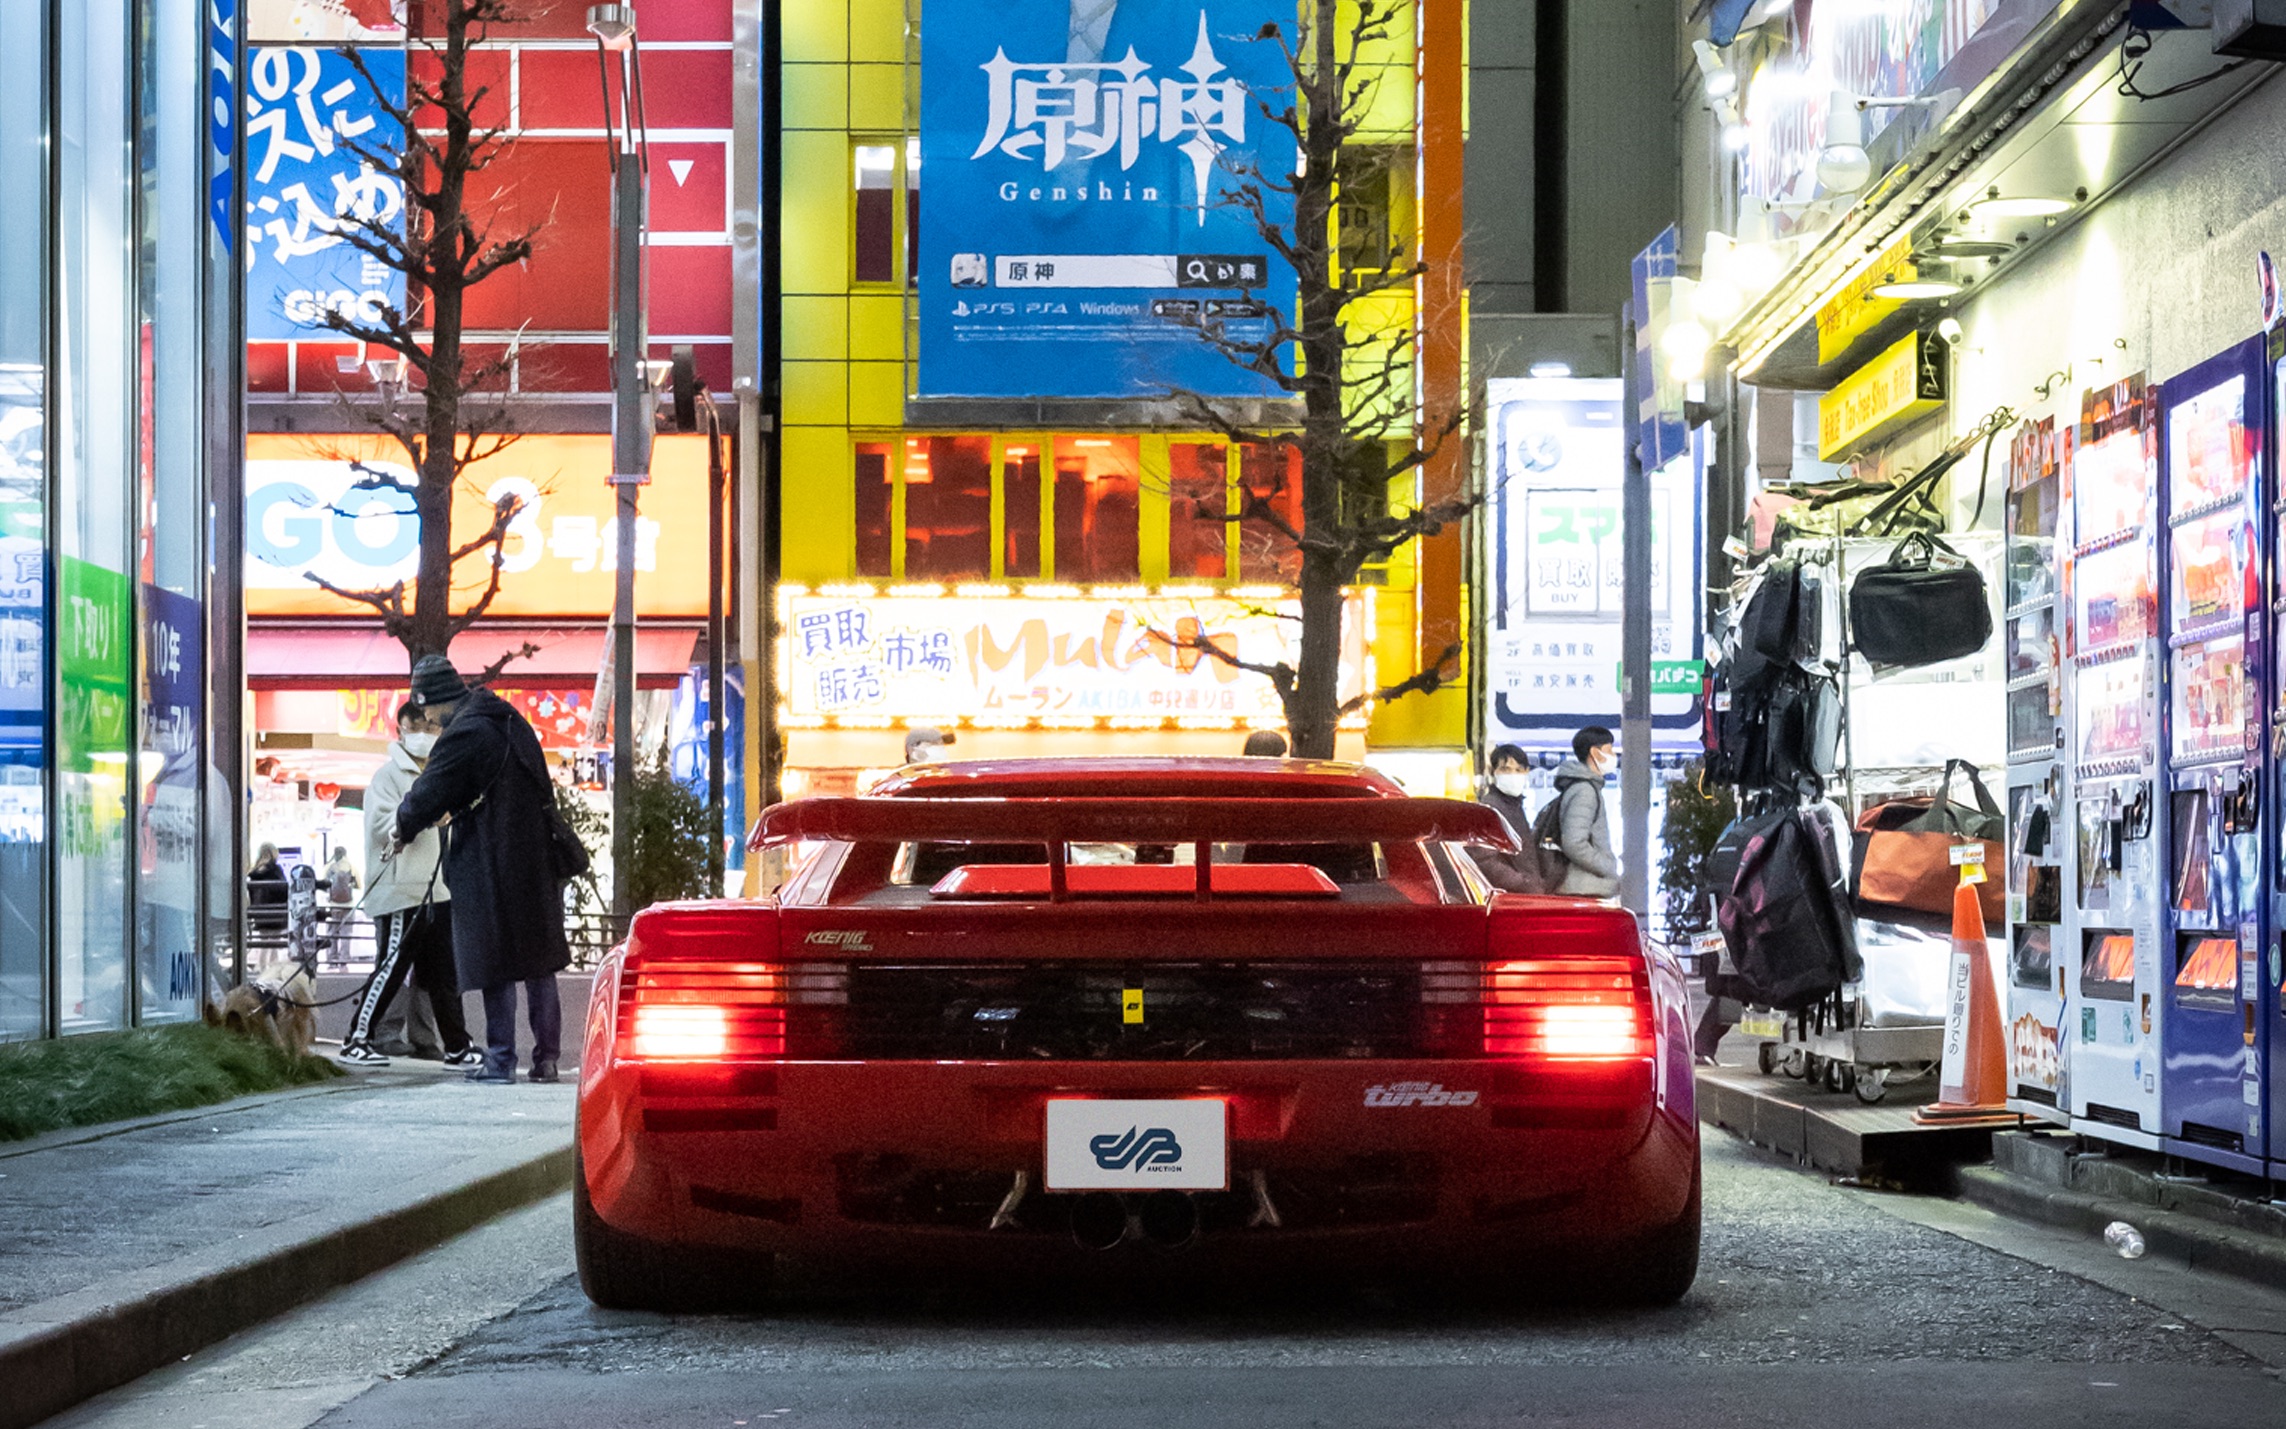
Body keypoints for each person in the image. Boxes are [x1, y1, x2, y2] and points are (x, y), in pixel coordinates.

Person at [393, 656, 573, 1085]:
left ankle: (499, 1061)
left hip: (492, 857)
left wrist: (403, 826)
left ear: (435, 702)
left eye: (429, 714)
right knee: (538, 963)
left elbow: (428, 791)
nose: (430, 723)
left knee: (496, 961)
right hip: (533, 857)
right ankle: (546, 1061)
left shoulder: (467, 731)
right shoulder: (509, 719)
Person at [337, 700, 479, 1069]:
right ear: (399, 730)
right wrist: (425, 816)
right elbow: (381, 828)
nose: (423, 735)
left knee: (445, 974)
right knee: (391, 968)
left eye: (429, 727)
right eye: (414, 727)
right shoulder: (387, 777)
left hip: (437, 890)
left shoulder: (440, 773)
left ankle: (457, 1046)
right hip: (401, 891)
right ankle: (357, 1038)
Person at [1552, 726, 1622, 899]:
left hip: (1584, 887)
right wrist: (1607, 866)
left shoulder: (1584, 788)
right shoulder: (1585, 791)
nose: (1614, 756)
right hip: (1584, 888)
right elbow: (1574, 843)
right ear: (1595, 753)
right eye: (1609, 750)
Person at [1468, 744, 1539, 892]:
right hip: (1509, 896)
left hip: (1525, 893)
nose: (1513, 775)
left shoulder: (1516, 806)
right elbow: (1484, 858)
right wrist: (1522, 882)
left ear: (1527, 772)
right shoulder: (1489, 809)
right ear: (1493, 772)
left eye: (1518, 770)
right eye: (1505, 770)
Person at [246, 844, 288, 936]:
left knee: (263, 944)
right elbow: (284, 893)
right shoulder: (275, 871)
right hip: (277, 918)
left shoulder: (253, 874)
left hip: (259, 919)